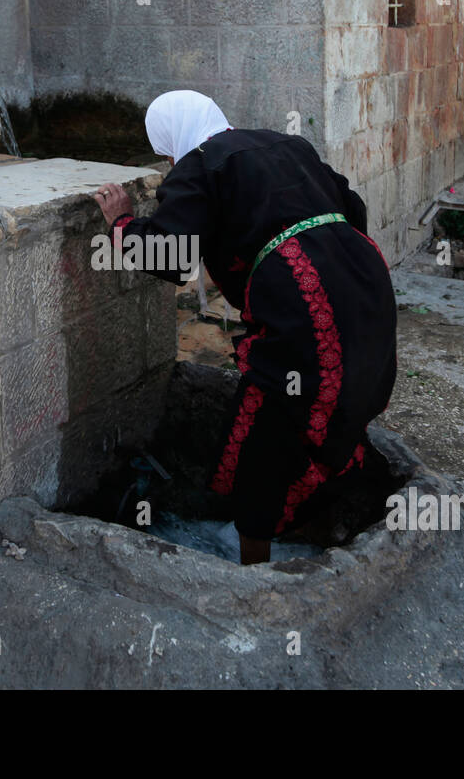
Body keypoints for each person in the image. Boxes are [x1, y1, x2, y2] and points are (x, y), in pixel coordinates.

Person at [93, 90, 398, 565]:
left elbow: (172, 258)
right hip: (363, 279)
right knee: (340, 393)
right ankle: (331, 515)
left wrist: (122, 224)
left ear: (176, 136)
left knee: (268, 428)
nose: (171, 160)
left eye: (167, 151)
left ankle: (254, 568)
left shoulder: (199, 164)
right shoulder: (285, 145)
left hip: (306, 299)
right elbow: (353, 207)